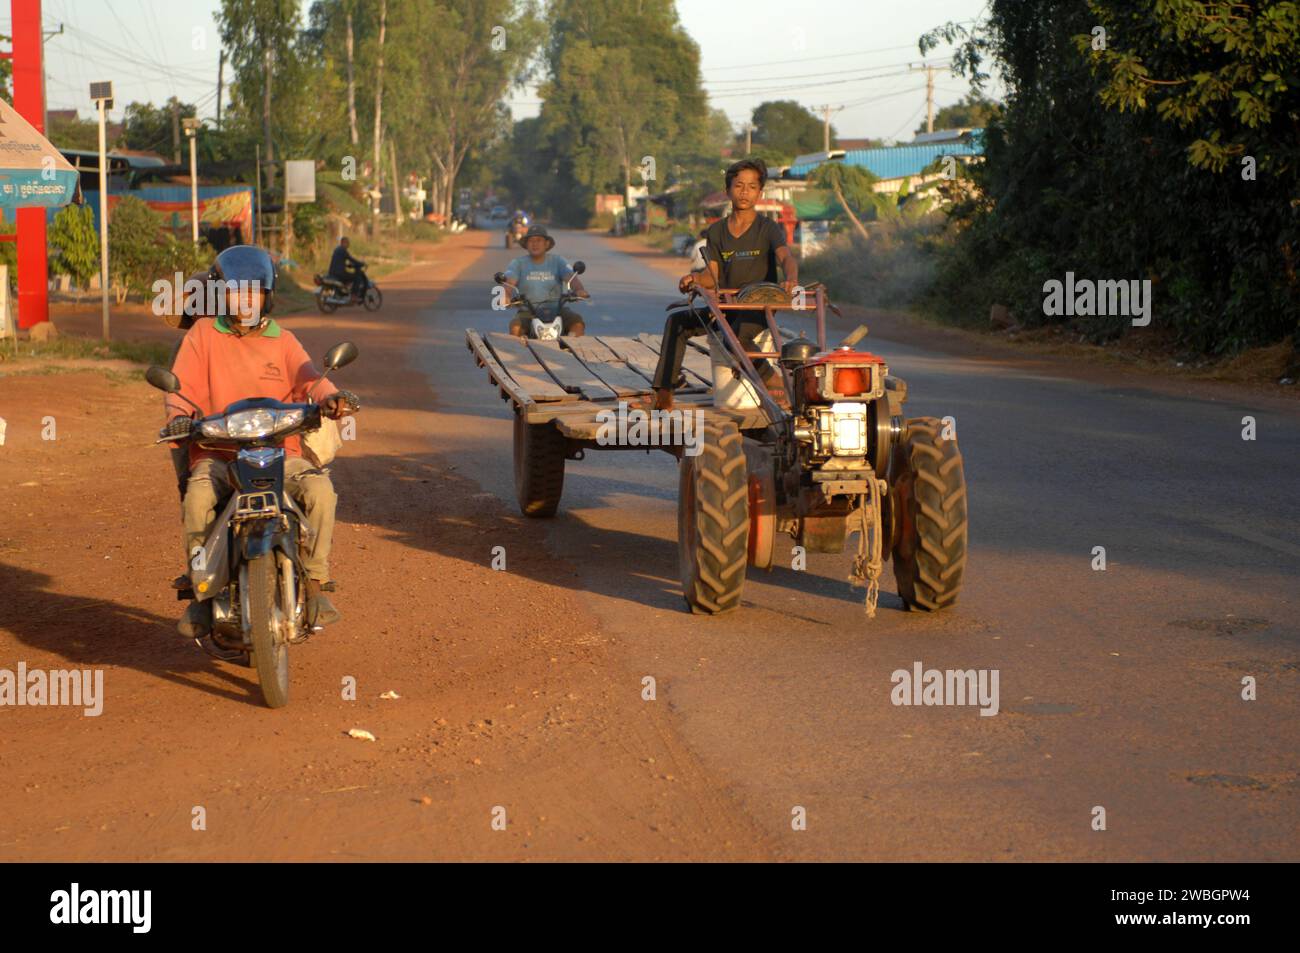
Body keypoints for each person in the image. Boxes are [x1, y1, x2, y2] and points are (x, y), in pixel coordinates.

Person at [163, 246, 358, 638]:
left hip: (279, 454)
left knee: (321, 491)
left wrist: (331, 399)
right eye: (237, 291)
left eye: (254, 291)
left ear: (267, 295)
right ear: (222, 295)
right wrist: (179, 417)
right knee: (198, 499)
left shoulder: (282, 339)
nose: (246, 299)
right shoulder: (203, 334)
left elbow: (310, 378)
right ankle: (202, 595)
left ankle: (316, 585)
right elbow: (180, 388)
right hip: (219, 455)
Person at [650, 158, 798, 411]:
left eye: (752, 187)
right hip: (726, 305)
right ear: (728, 190)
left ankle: (771, 379)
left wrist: (791, 279)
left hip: (759, 305)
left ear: (759, 193)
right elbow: (713, 276)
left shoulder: (768, 228)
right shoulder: (717, 231)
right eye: (739, 185)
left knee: (736, 336)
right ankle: (664, 392)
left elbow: (786, 257)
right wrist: (694, 279)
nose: (745, 192)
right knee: (678, 322)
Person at [500, 225, 589, 337]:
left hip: (557, 310)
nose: (535, 244)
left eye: (539, 240)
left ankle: (571, 351)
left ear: (546, 244)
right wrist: (505, 296)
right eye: (531, 241)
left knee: (577, 323)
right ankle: (520, 353)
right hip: (527, 312)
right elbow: (508, 283)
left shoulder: (558, 261)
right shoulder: (517, 263)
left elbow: (572, 278)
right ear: (526, 244)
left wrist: (579, 290)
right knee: (515, 328)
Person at [328, 236, 367, 300]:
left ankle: (344, 290)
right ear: (344, 243)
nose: (349, 245)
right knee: (357, 277)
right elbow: (352, 259)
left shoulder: (336, 249)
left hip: (332, 272)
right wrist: (361, 263)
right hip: (340, 273)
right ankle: (354, 295)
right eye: (348, 243)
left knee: (348, 276)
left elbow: (339, 261)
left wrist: (347, 265)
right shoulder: (343, 250)